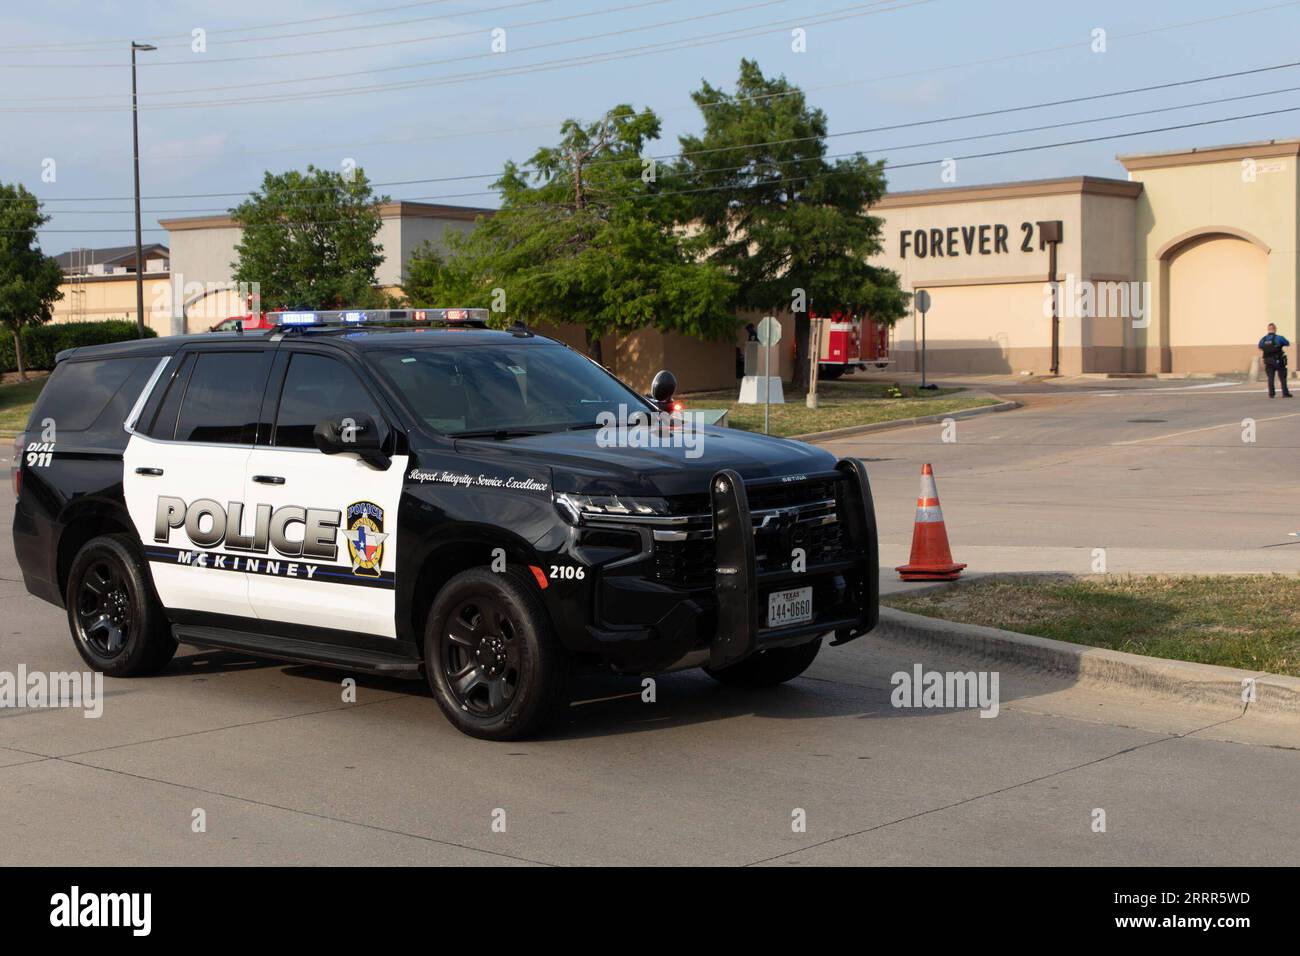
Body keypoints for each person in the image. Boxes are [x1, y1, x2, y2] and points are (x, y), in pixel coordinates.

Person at [1258, 323, 1292, 398]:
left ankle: (1271, 394)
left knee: (1270, 377)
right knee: (1282, 377)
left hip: (1267, 360)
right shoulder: (1279, 338)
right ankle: (1285, 393)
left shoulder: (1263, 339)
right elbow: (1287, 343)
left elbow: (1260, 347)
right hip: (1277, 360)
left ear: (1268, 329)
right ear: (1275, 329)